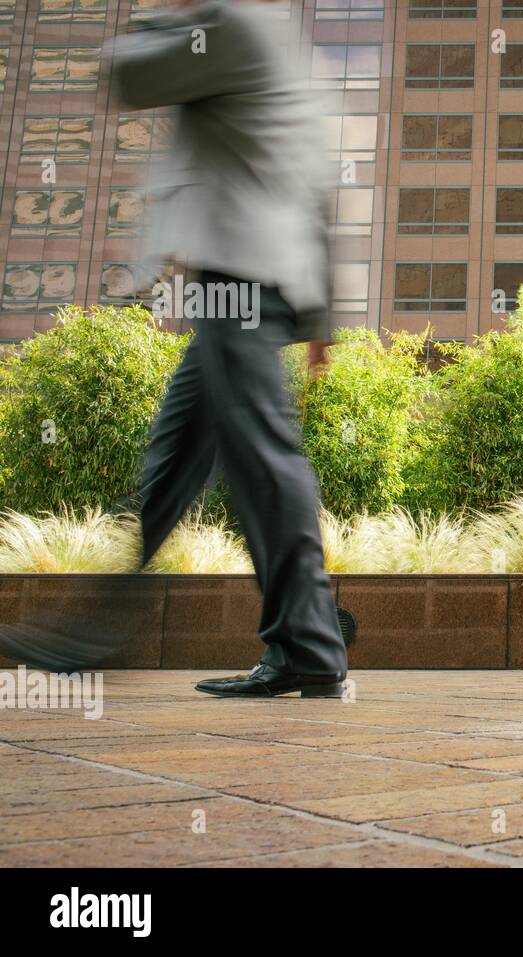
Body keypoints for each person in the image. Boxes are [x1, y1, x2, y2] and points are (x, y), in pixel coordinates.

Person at [110, 0, 348, 697]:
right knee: (177, 450)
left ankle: (311, 643)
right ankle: (103, 616)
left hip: (241, 275)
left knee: (261, 454)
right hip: (251, 277)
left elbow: (128, 75)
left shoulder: (235, 24)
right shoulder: (268, 36)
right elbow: (318, 189)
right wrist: (321, 319)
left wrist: (153, 23)